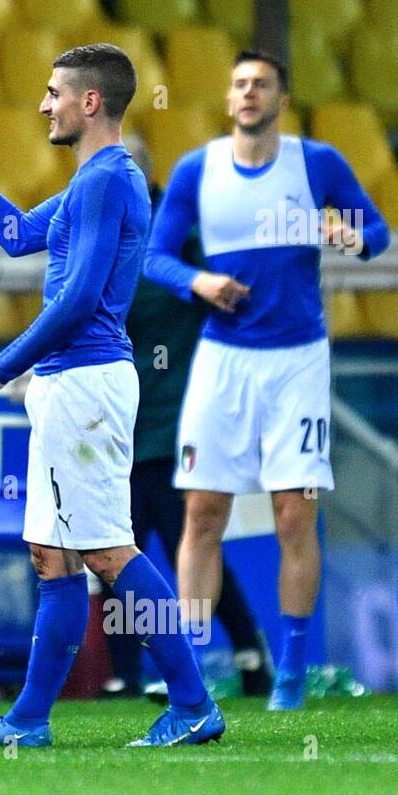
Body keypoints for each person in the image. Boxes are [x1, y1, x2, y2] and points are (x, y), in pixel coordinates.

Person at [0, 44, 225, 748]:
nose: (44, 104)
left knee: (110, 552)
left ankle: (195, 703)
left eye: (53, 93)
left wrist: (1, 364)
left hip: (86, 383)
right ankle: (29, 717)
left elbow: (80, 297)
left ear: (89, 102)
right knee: (53, 556)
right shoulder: (94, 181)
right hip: (67, 384)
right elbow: (18, 235)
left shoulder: (109, 181)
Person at [144, 49, 389, 710]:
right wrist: (200, 281)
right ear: (228, 100)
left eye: (261, 85)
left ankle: (291, 669)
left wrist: (350, 235)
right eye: (239, 84)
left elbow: (379, 232)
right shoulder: (199, 170)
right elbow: (154, 255)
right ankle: (189, 670)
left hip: (297, 360)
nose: (248, 93)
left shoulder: (317, 164)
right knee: (202, 511)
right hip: (223, 359)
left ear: (281, 102)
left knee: (293, 514)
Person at [106, 134, 273, 699]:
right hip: (122, 423)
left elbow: (238, 294)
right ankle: (124, 671)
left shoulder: (180, 243)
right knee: (117, 547)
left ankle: (247, 653)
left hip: (179, 414)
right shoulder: (105, 238)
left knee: (181, 537)